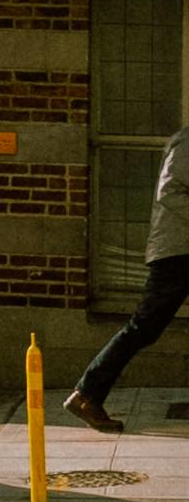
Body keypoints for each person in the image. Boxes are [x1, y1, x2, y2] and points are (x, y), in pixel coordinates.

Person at [66, 126, 189, 432]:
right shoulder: (187, 141)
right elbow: (170, 192)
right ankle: (86, 394)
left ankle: (87, 394)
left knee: (144, 327)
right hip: (177, 251)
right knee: (144, 327)